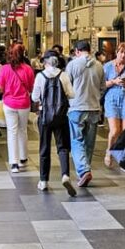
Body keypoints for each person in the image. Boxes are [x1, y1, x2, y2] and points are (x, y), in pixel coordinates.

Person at [32, 51, 76, 196]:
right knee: (62, 147)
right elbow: (72, 94)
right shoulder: (63, 75)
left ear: (46, 62)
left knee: (44, 148)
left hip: (45, 117)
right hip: (61, 116)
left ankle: (44, 181)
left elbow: (35, 97)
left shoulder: (40, 76)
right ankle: (65, 175)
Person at [65, 40, 105, 187]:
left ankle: (83, 170)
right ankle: (85, 170)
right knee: (89, 143)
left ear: (77, 51)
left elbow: (66, 87)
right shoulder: (100, 66)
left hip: (76, 108)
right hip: (94, 108)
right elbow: (102, 87)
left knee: (77, 141)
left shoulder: (72, 65)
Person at [0, 43, 35, 173]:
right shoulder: (28, 69)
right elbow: (31, 88)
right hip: (24, 103)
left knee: (12, 132)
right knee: (22, 130)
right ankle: (23, 157)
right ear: (23, 54)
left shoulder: (4, 69)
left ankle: (14, 162)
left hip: (9, 104)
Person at [102, 43, 125, 167]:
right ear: (117, 52)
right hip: (112, 99)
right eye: (121, 52)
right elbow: (102, 84)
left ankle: (123, 157)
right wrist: (114, 81)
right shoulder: (107, 67)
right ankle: (109, 151)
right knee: (115, 130)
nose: (123, 55)